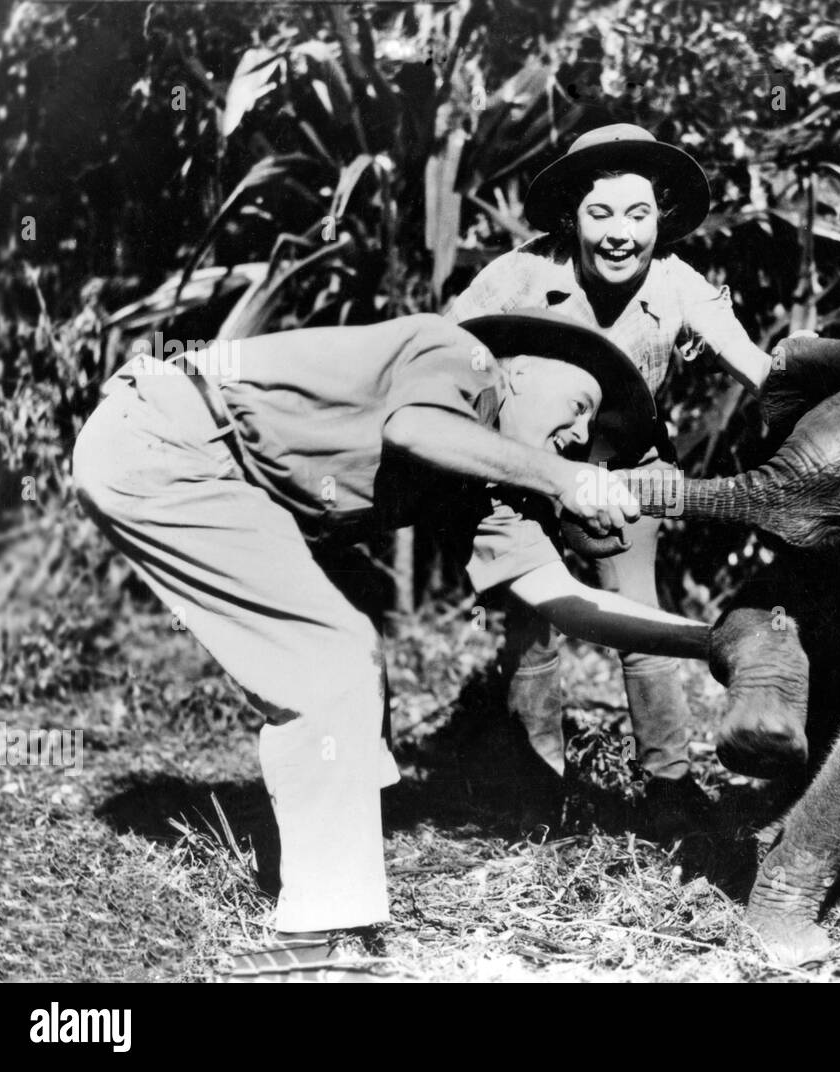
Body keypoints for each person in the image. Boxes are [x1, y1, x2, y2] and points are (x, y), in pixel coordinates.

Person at [72, 309, 709, 979]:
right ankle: (323, 936)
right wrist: (563, 478)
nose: (580, 434)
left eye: (587, 440)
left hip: (218, 472)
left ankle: (326, 876)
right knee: (331, 659)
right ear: (522, 367)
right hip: (165, 439)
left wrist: (709, 642)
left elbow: (562, 599)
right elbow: (415, 429)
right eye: (581, 405)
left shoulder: (488, 489)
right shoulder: (459, 356)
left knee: (348, 644)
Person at [447, 123, 777, 834]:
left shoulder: (679, 282)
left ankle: (670, 787)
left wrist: (811, 415)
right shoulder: (517, 276)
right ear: (571, 219)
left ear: (661, 218)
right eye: (601, 215)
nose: (621, 234)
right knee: (529, 627)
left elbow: (755, 368)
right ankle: (539, 794)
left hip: (627, 472)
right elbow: (436, 353)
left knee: (640, 622)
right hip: (521, 476)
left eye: (638, 215)